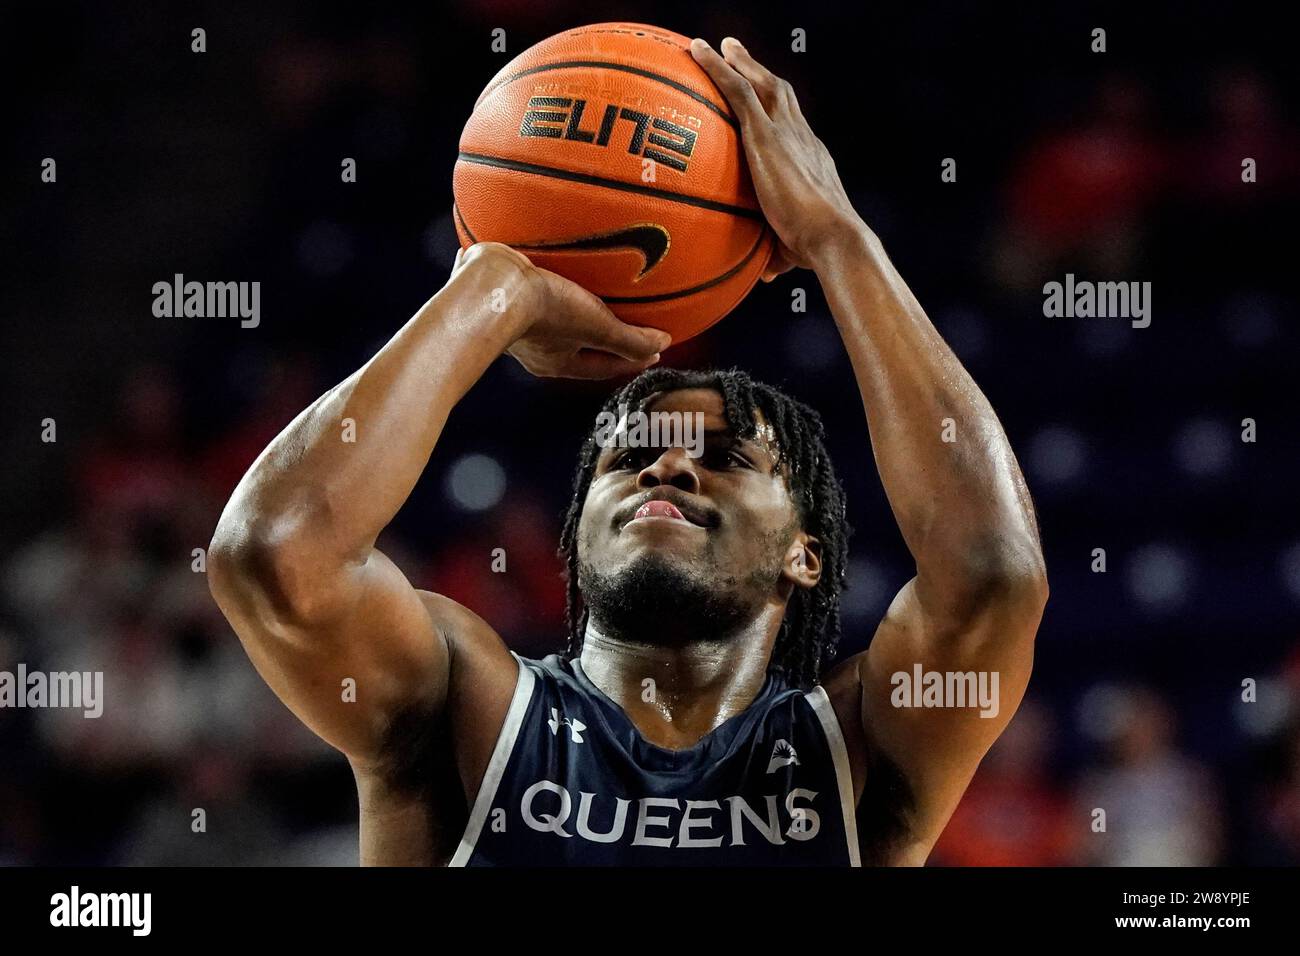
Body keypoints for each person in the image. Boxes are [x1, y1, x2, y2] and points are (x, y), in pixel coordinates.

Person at [207, 36, 1048, 865]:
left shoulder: (856, 746)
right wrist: (496, 287)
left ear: (806, 554)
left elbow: (995, 577)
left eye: (726, 455)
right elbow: (272, 554)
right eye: (627, 456)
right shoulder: (468, 711)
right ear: (576, 538)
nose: (669, 463)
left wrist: (838, 238)